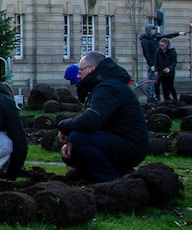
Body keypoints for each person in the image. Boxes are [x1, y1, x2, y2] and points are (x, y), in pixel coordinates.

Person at [58, 51, 149, 182]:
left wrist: (63, 126)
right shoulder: (105, 85)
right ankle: (112, 173)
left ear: (92, 69)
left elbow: (91, 120)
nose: (78, 75)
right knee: (73, 151)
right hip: (119, 140)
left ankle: (110, 180)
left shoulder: (109, 87)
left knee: (78, 138)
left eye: (80, 71)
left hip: (131, 145)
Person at [139, 24, 180, 103]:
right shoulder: (145, 41)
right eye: (152, 29)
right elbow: (147, 54)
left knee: (160, 82)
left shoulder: (157, 37)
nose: (154, 31)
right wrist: (151, 65)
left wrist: (178, 33)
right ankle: (150, 97)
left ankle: (160, 97)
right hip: (153, 63)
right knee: (152, 81)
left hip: (159, 63)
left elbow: (167, 36)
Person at [154, 37, 178, 103]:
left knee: (170, 86)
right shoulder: (158, 51)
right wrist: (156, 70)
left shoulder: (172, 51)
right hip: (161, 71)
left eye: (163, 45)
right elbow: (156, 61)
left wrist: (169, 68)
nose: (161, 47)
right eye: (160, 45)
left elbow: (174, 62)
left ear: (167, 45)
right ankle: (166, 99)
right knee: (163, 86)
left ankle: (175, 99)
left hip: (169, 72)